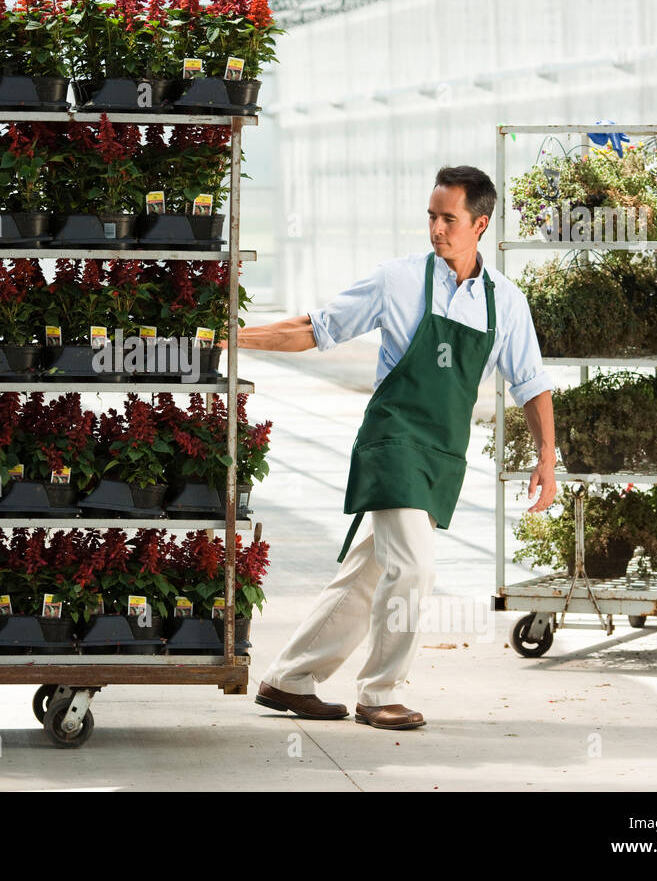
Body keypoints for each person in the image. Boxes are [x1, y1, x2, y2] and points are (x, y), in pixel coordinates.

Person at [227, 165, 558, 730]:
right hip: (393, 439)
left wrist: (547, 459)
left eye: (448, 219)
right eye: (431, 216)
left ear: (479, 224)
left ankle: (290, 678)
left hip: (441, 456)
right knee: (414, 569)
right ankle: (380, 692)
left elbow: (530, 383)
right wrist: (236, 336)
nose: (435, 229)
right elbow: (318, 327)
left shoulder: (505, 302)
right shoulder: (398, 280)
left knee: (373, 569)